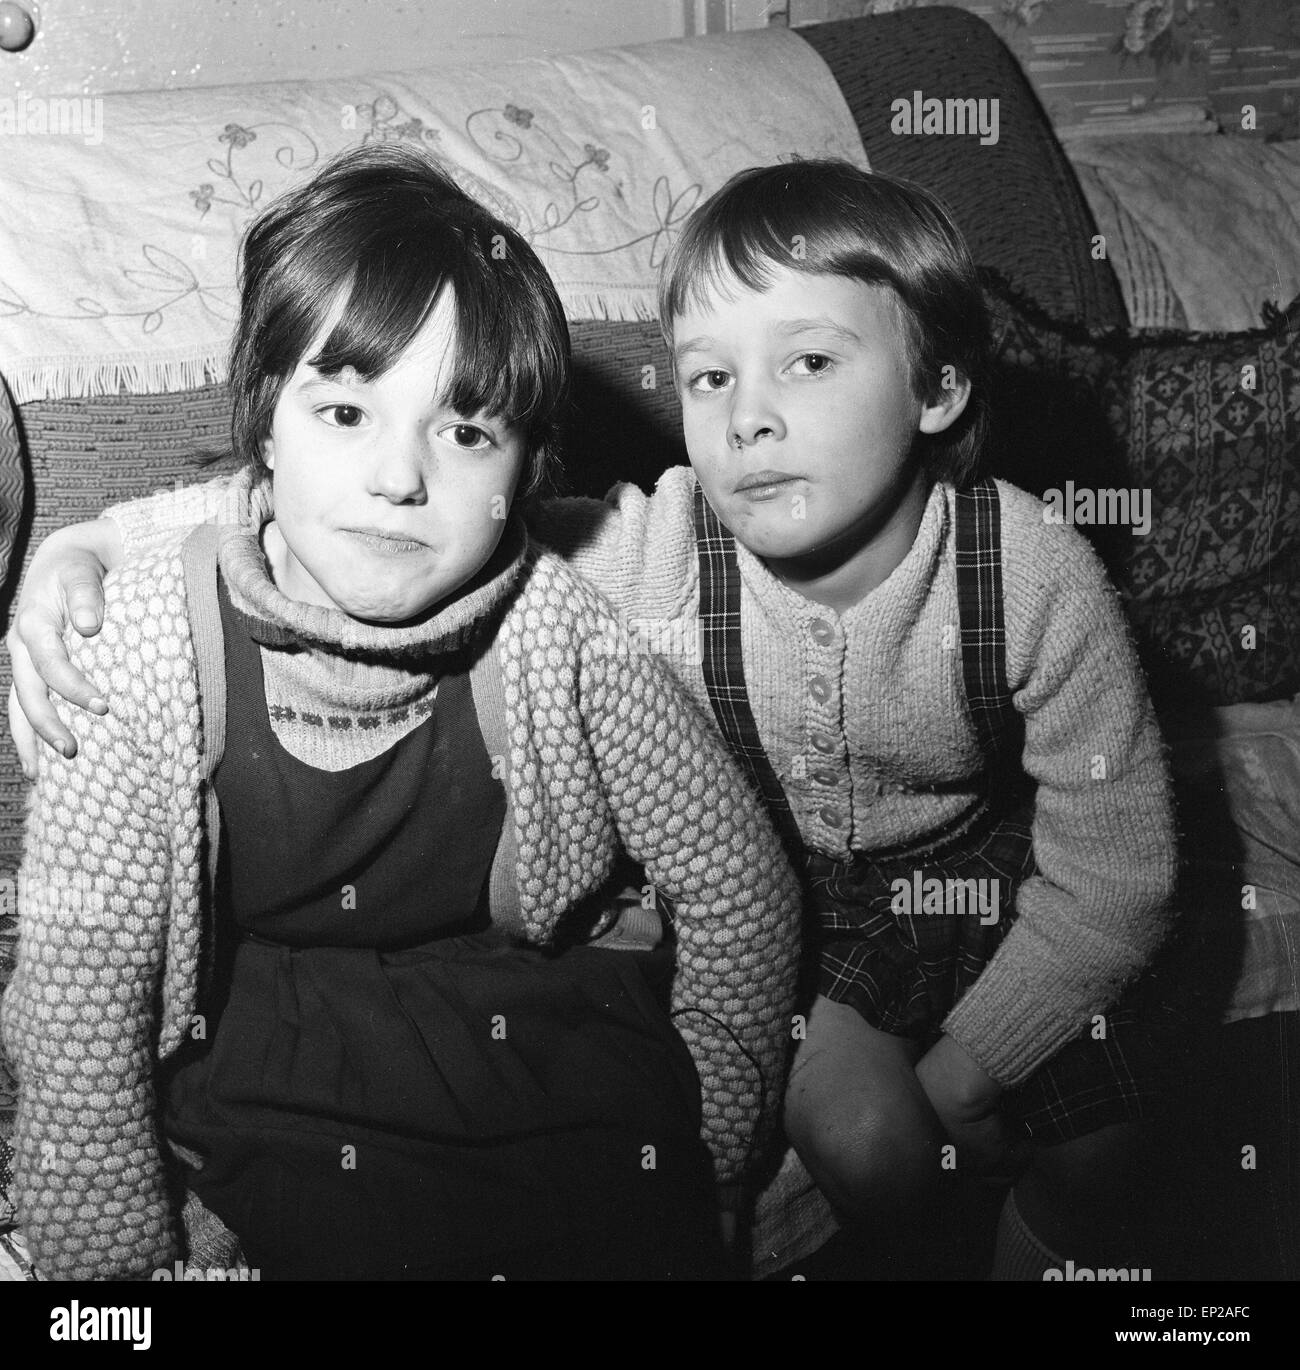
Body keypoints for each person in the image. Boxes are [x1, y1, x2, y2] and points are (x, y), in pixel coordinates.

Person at [8, 159, 1180, 1280]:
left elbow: (1094, 865)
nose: (751, 420)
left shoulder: (1017, 574)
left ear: (938, 385)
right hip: (760, 947)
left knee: (1099, 1151)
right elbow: (322, 512)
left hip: (952, 901)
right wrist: (86, 544)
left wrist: (928, 1075)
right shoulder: (645, 547)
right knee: (875, 1149)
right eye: (711, 377)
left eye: (810, 362)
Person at [0, 144, 804, 1282]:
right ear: (263, 430)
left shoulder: (560, 634)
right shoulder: (141, 646)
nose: (400, 476)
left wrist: (717, 1142)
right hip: (261, 1042)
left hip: (536, 1039)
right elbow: (82, 979)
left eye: (465, 430)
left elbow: (740, 884)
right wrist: (107, 1268)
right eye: (343, 410)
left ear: (525, 474)